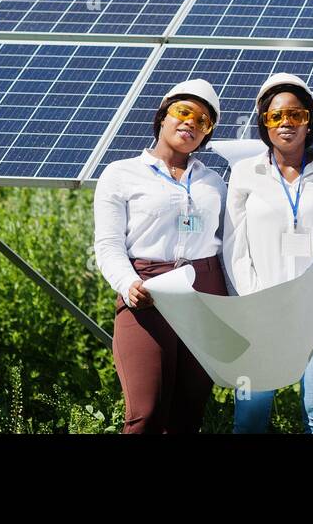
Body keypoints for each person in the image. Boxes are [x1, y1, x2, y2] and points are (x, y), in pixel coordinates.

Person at [223, 72, 313, 433]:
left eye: (296, 115)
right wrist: (251, 299)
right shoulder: (244, 173)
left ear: (310, 122)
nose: (286, 123)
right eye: (275, 116)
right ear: (263, 123)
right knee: (251, 418)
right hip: (261, 304)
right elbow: (234, 245)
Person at [93, 78, 229, 434]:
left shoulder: (213, 181)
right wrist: (127, 283)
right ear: (162, 117)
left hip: (205, 299)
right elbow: (108, 244)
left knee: (189, 412)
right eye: (183, 112)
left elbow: (227, 244)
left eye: (203, 121)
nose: (191, 123)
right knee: (146, 411)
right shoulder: (121, 173)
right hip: (147, 294)